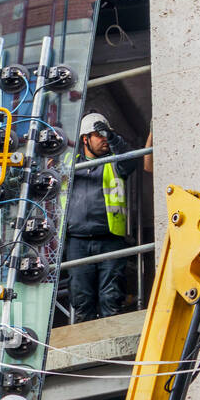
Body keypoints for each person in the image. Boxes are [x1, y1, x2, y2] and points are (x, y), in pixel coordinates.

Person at [65, 110, 137, 321]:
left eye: (106, 135)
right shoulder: (70, 163)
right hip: (77, 242)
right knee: (81, 301)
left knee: (112, 299)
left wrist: (113, 137)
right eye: (99, 135)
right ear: (85, 139)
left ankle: (112, 355)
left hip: (110, 240)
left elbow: (131, 160)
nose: (104, 139)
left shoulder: (116, 161)